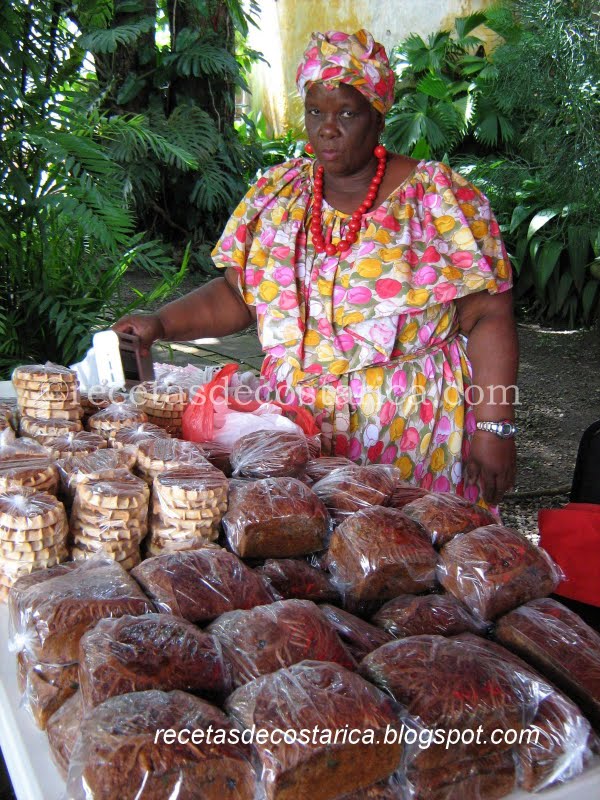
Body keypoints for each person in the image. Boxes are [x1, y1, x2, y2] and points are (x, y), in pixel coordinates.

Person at [115, 29, 518, 507]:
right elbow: (238, 295)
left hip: (413, 432)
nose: (328, 128)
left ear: (378, 115)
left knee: (416, 555)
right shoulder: (280, 195)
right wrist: (161, 323)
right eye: (316, 112)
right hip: (300, 432)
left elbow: (489, 315)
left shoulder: (435, 199)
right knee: (313, 559)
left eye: (347, 113)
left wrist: (494, 426)